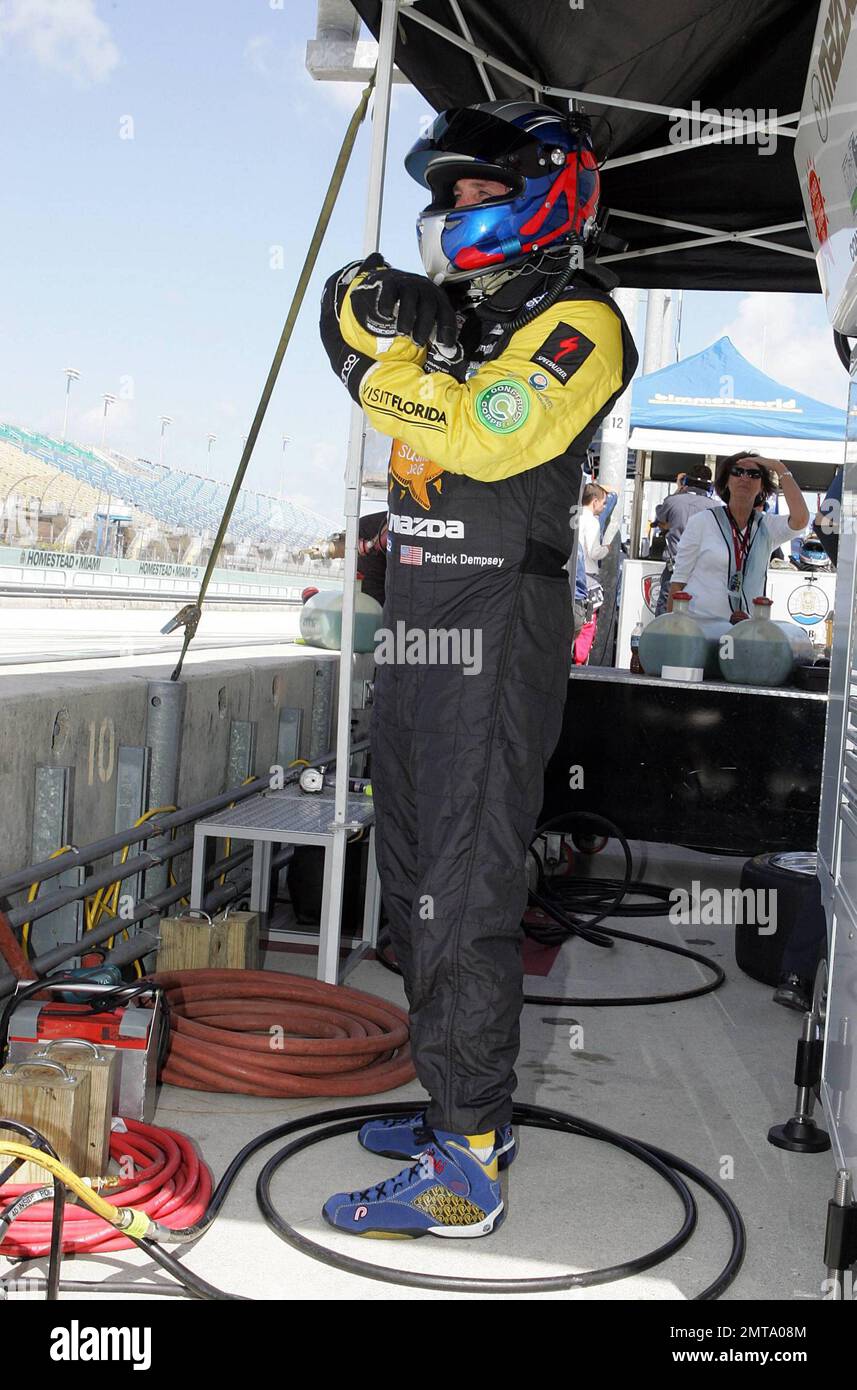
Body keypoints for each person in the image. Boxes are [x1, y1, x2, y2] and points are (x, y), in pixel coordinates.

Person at [319, 99, 638, 1238]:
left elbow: (488, 435)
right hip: (416, 618)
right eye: (445, 195)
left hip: (495, 627)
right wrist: (404, 325)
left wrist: (372, 359)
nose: (453, 210)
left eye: (475, 192)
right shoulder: (468, 315)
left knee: (461, 886)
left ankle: (465, 1172)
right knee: (409, 870)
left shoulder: (581, 320)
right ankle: (465, 1105)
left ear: (544, 193)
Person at [668, 451, 809, 622]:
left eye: (753, 474)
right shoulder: (703, 521)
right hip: (700, 628)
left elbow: (801, 519)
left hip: (745, 631)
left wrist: (779, 468)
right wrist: (672, 631)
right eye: (737, 472)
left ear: (762, 486)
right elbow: (678, 581)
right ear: (726, 481)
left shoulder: (766, 526)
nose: (744, 477)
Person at [651, 464, 720, 616]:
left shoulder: (673, 501)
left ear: (686, 481)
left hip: (675, 566)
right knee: (698, 614)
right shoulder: (716, 508)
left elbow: (660, 520)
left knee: (666, 612)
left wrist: (679, 488)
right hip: (703, 570)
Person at [574, 481, 616, 663]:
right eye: (603, 503)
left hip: (572, 574)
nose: (604, 507)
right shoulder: (592, 521)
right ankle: (580, 658)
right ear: (594, 501)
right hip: (589, 576)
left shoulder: (573, 516)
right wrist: (607, 549)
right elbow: (593, 551)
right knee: (587, 620)